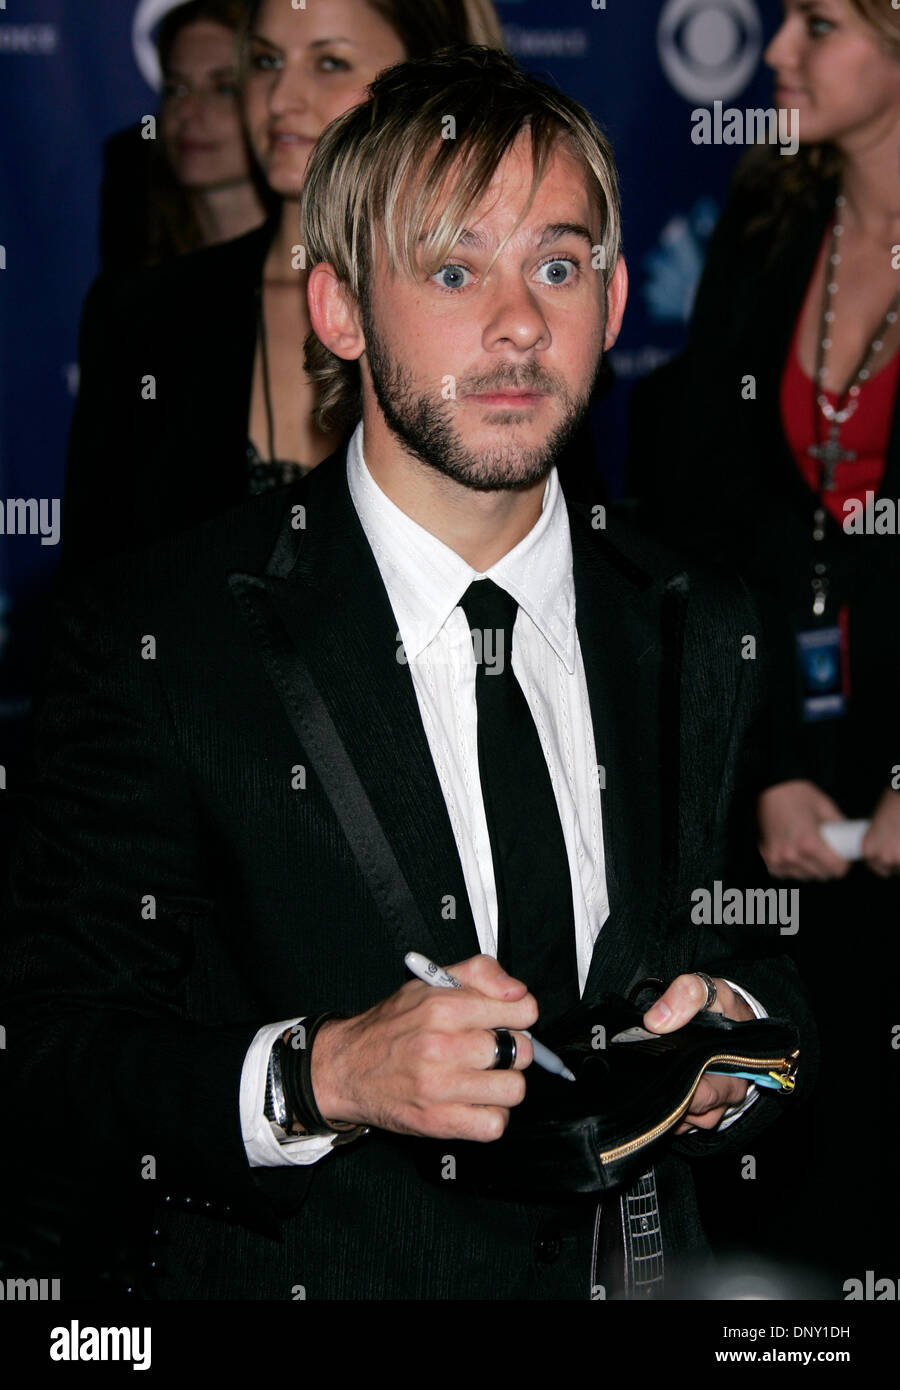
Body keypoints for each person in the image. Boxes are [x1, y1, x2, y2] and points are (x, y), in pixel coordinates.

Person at [2, 46, 814, 1300]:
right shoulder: (161, 635)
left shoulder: (702, 621)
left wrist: (736, 1055)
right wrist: (325, 1072)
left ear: (610, 301)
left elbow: (787, 985)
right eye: (452, 268)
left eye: (559, 263)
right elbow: (52, 1057)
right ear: (338, 310)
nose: (518, 321)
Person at [629, 0, 900, 1279]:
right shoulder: (769, 221)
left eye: (820, 20)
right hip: (784, 750)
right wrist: (774, 761)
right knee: (789, 1148)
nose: (776, 51)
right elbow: (710, 514)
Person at [62, 0, 508, 567]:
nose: (279, 100)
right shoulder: (141, 316)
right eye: (268, 62)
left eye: (329, 64)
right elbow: (91, 596)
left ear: (428, 84)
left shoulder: (501, 316)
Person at [99, 1, 268, 275]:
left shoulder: (314, 278)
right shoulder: (136, 278)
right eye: (176, 89)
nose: (187, 112)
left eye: (224, 89)